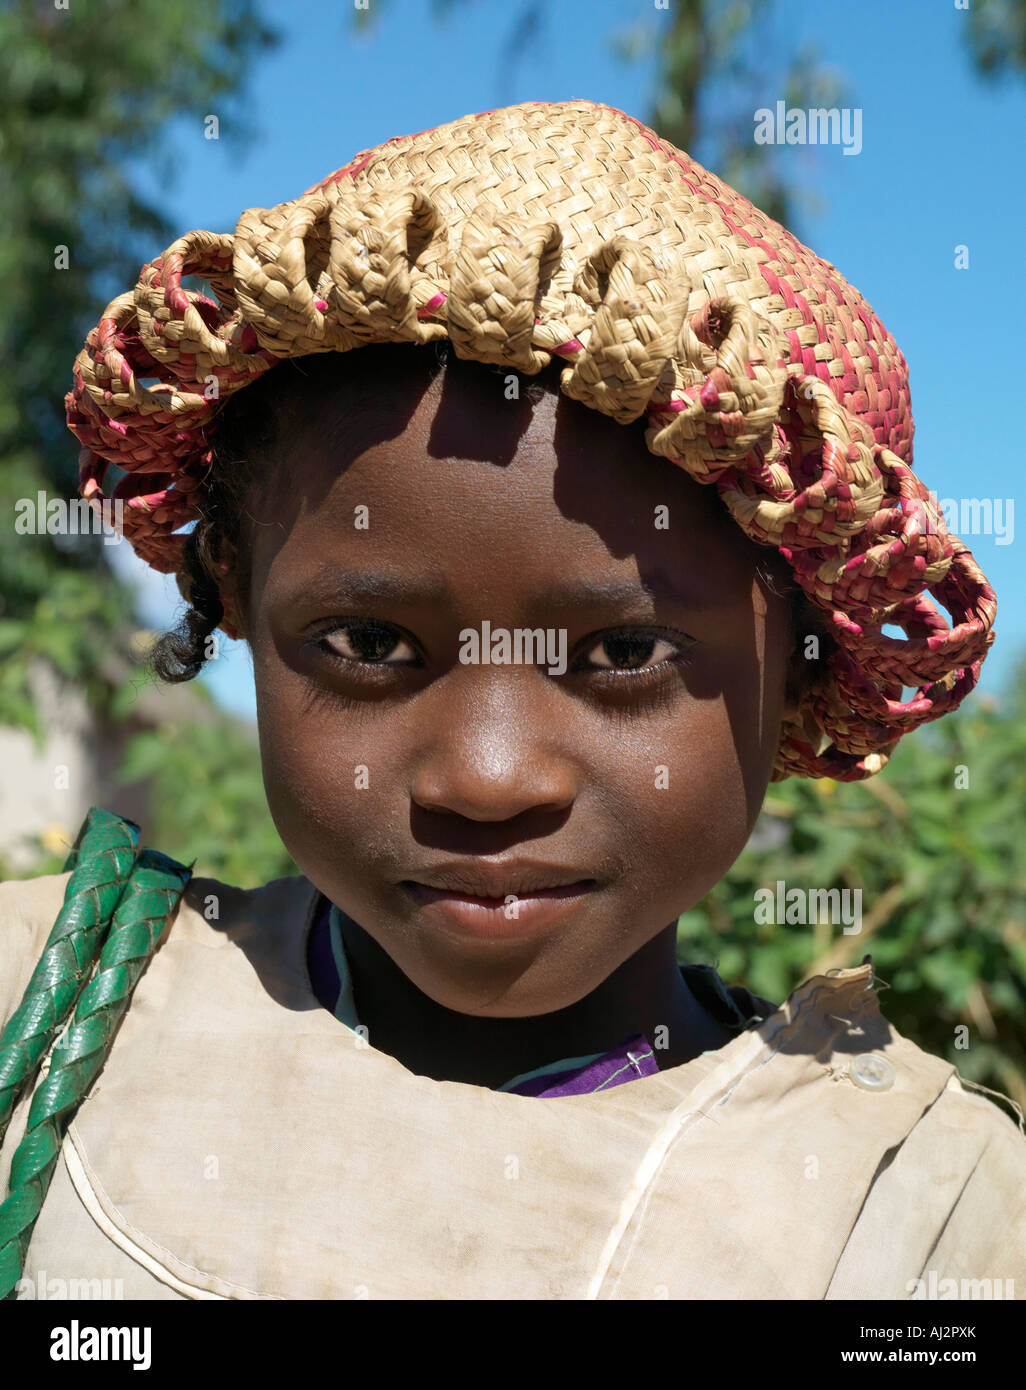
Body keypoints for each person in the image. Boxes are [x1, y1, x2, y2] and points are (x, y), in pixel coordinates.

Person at [1, 99, 1023, 1300]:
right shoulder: (52, 1007)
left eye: (624, 653)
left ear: (799, 663)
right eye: (370, 640)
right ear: (230, 587)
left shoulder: (921, 1209)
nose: (486, 779)